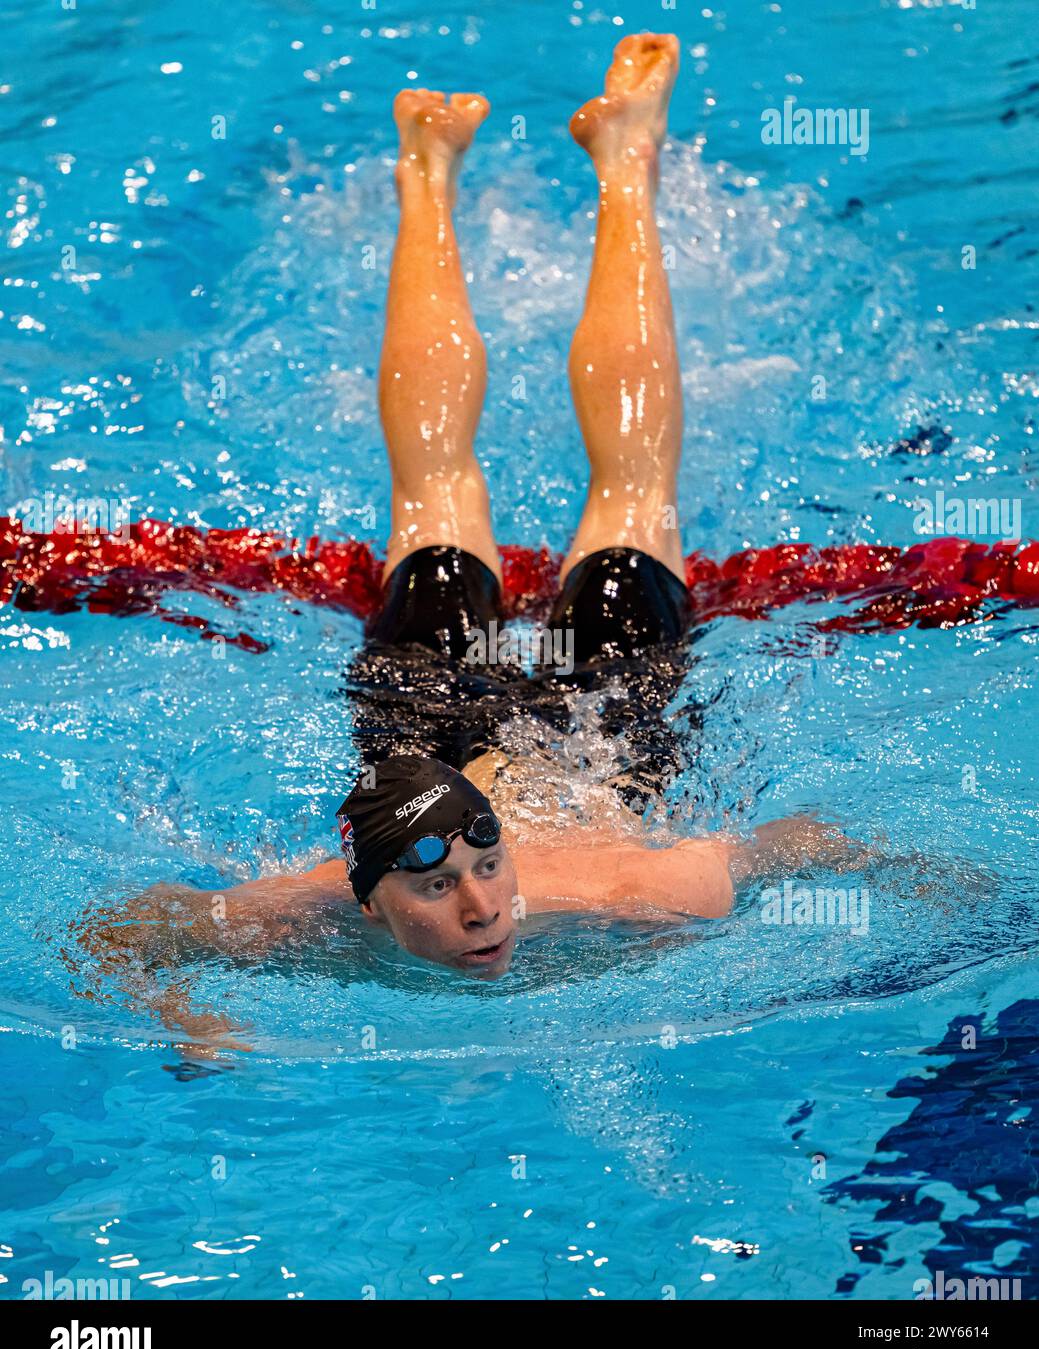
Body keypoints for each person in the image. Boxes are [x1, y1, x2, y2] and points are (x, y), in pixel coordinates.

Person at [70, 35, 869, 1051]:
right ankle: (562, 165)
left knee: (444, 491)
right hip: (601, 739)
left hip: (434, 724)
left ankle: (489, 167)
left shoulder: (635, 888)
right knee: (625, 511)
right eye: (437, 887)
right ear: (367, 903)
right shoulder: (309, 906)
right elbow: (114, 934)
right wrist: (186, 1013)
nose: (484, 910)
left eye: (485, 871)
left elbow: (812, 851)